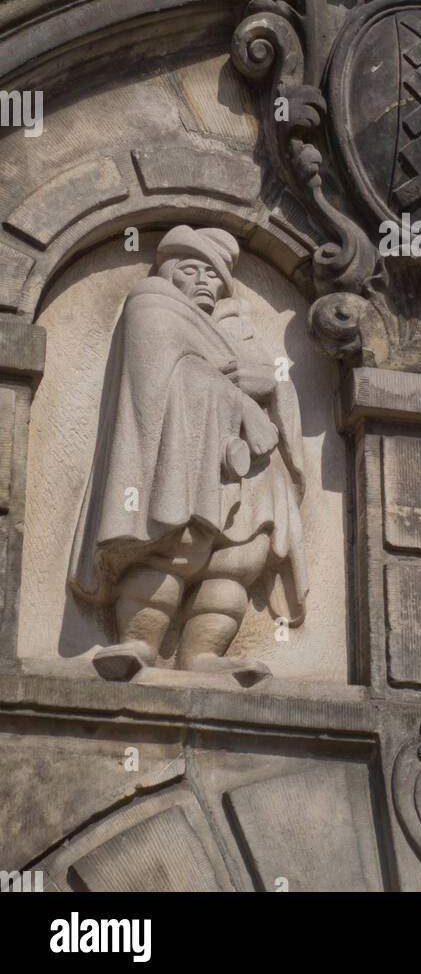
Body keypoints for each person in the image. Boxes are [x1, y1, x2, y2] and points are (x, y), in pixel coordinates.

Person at [69, 225, 307, 685]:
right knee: (168, 551)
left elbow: (277, 379)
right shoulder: (152, 303)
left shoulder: (237, 327)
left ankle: (202, 655)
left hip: (247, 471)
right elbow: (160, 373)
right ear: (170, 271)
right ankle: (140, 643)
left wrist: (270, 385)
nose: (203, 281)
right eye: (192, 269)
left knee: (235, 562)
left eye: (213, 276)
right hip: (173, 458)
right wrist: (237, 400)